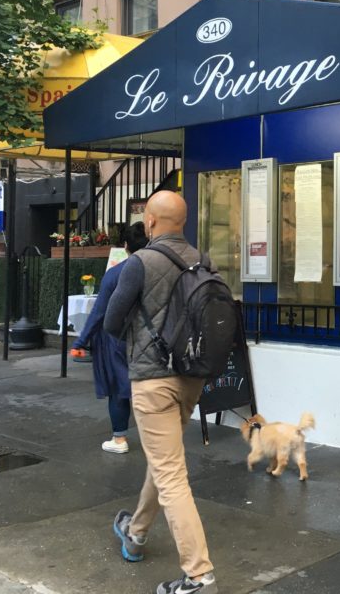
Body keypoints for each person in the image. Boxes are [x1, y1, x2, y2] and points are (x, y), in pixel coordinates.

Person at [103, 191, 217, 594]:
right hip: (192, 378)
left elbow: (112, 322)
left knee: (170, 474)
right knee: (164, 458)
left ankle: (199, 575)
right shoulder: (203, 260)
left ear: (150, 221)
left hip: (153, 380)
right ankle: (136, 533)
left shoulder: (139, 262)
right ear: (183, 222)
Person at [73, 223, 148, 454]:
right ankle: (157, 439)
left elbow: (99, 312)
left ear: (126, 246)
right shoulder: (159, 271)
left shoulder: (116, 274)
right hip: (150, 338)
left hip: (117, 338)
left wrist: (81, 341)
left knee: (119, 389)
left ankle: (119, 438)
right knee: (151, 388)